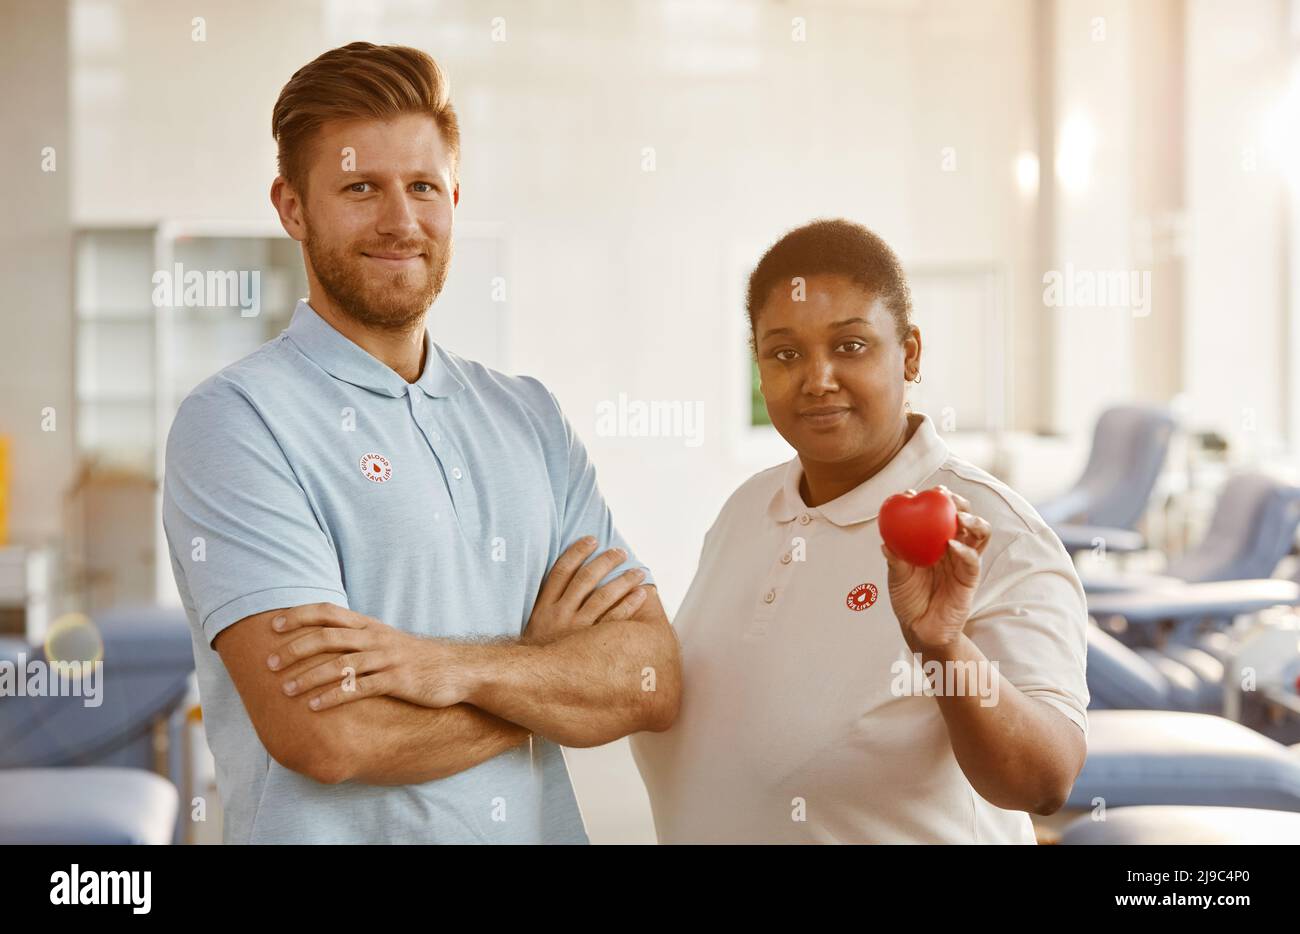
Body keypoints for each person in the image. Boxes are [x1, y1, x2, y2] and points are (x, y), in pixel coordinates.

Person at [163, 42, 680, 844]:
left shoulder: (529, 418)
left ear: (454, 199)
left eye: (423, 187)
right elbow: (329, 737)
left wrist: (456, 668)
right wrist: (543, 676)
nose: (400, 221)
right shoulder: (237, 422)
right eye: (361, 187)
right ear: (292, 207)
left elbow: (652, 677)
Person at [631, 219, 1088, 843]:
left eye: (849, 346)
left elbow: (1045, 780)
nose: (817, 379)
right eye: (786, 353)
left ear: (911, 353)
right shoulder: (747, 508)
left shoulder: (993, 534)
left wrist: (943, 648)